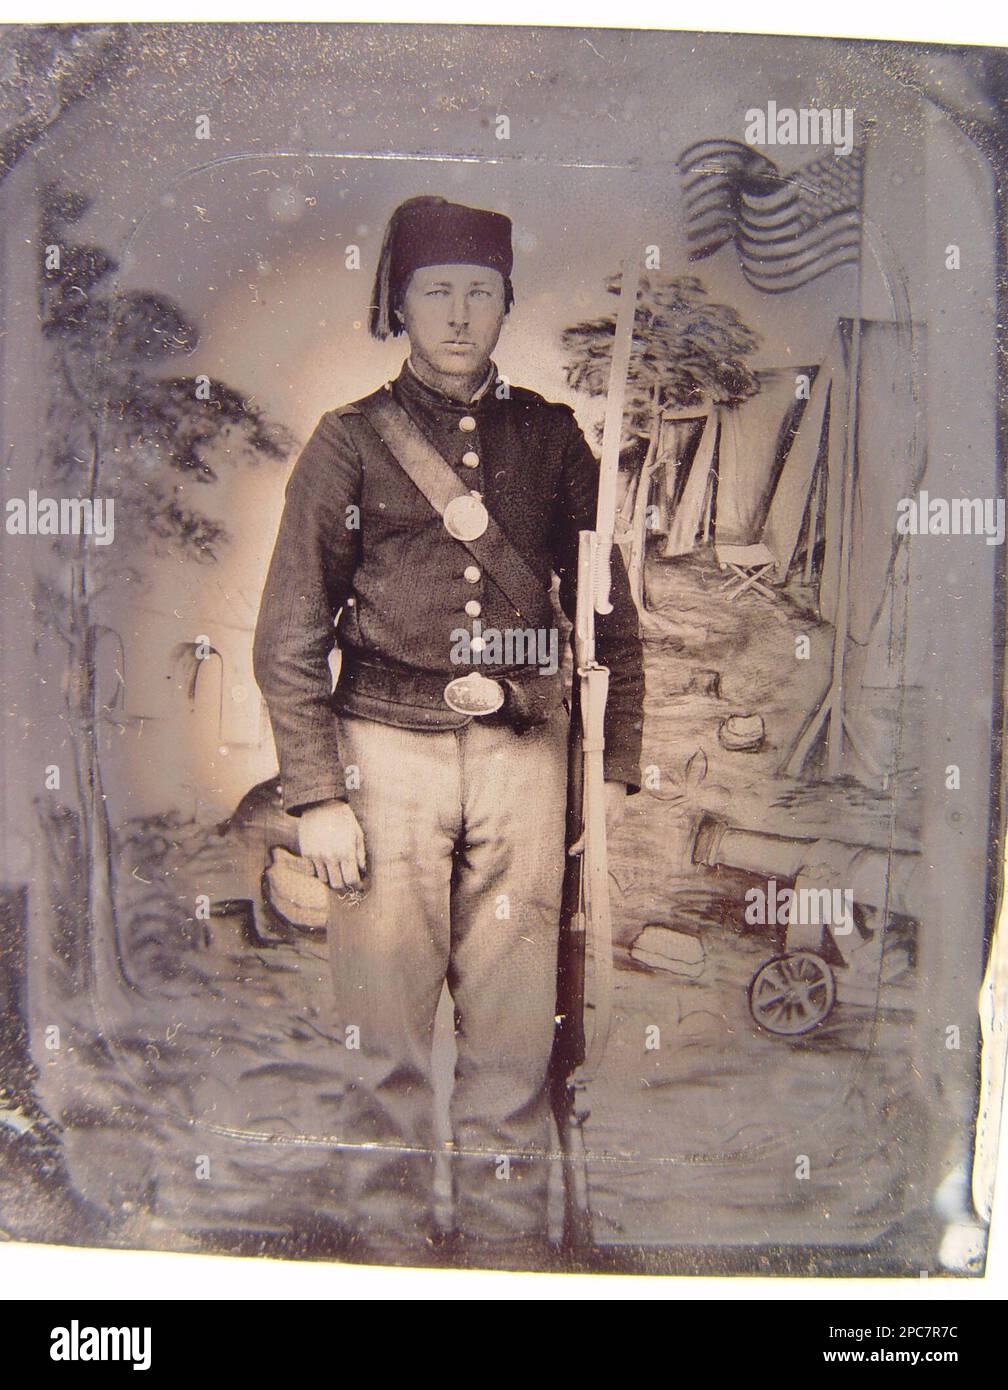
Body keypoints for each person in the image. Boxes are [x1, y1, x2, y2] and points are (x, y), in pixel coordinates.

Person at [253, 194, 644, 1267]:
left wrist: (609, 765)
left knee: (516, 1034)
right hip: (383, 756)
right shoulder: (347, 444)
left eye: (481, 291)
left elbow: (605, 612)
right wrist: (318, 792)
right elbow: (290, 629)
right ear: (402, 302)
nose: (461, 315)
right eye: (438, 292)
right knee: (385, 1037)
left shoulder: (552, 437)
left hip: (528, 755)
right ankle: (386, 1249)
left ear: (507, 302)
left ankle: (508, 1254)